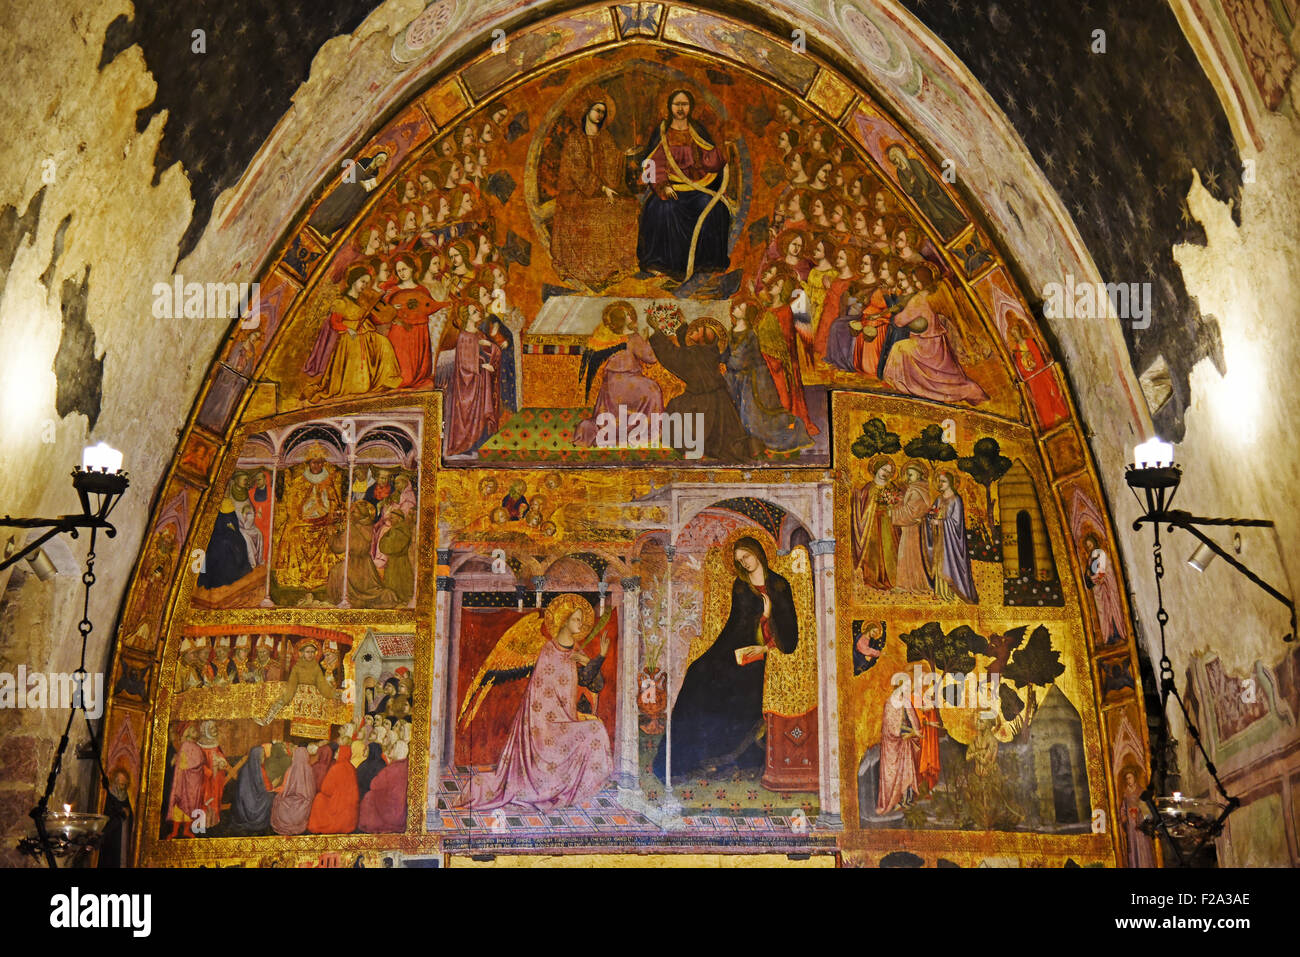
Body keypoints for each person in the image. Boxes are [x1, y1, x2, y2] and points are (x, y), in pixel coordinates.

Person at [652, 537, 797, 781]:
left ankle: (734, 756)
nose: (745, 563)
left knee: (736, 685)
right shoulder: (740, 587)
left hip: (765, 654)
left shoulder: (780, 585)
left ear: (758, 553)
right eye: (740, 560)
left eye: (747, 556)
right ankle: (688, 759)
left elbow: (790, 635)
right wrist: (719, 654)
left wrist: (767, 628)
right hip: (737, 649)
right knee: (699, 672)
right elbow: (735, 625)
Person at [455, 594, 613, 812]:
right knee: (594, 728)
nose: (581, 624)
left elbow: (594, 684)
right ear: (564, 619)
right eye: (576, 619)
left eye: (581, 620)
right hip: (544, 728)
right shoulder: (548, 651)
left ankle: (575, 788)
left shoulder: (576, 651)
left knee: (596, 728)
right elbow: (540, 698)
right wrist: (554, 720)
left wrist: (597, 658)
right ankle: (548, 786)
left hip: (566, 721)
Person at [636, 89, 733, 280]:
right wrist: (663, 185)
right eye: (677, 104)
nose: (680, 109)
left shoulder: (697, 131)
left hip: (696, 187)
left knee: (714, 207)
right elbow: (651, 164)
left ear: (690, 107)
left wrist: (720, 150)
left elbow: (710, 163)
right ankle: (661, 263)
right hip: (669, 187)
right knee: (662, 210)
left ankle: (705, 263)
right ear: (669, 107)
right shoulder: (662, 132)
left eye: (684, 104)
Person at [551, 95, 639, 285]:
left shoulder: (605, 136)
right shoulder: (575, 139)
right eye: (596, 110)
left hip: (602, 192)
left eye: (602, 111)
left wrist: (624, 156)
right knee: (602, 212)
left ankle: (620, 265)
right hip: (577, 196)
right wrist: (601, 187)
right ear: (586, 110)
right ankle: (598, 270)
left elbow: (611, 162)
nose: (600, 114)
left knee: (629, 207)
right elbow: (577, 171)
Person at [648, 313, 758, 461]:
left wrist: (656, 332)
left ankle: (689, 447)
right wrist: (682, 326)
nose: (697, 329)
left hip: (702, 401)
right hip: (719, 399)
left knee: (675, 408)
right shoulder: (710, 351)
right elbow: (689, 350)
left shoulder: (696, 354)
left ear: (704, 340)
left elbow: (674, 356)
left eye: (700, 330)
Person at [723, 300, 813, 452]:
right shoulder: (731, 331)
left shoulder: (750, 335)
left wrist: (726, 363)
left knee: (751, 419)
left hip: (751, 382)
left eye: (740, 307)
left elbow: (739, 361)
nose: (736, 308)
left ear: (747, 315)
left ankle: (789, 432)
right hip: (734, 378)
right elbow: (725, 355)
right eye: (737, 306)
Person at [305, 267, 403, 401]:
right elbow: (335, 323)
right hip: (350, 337)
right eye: (362, 281)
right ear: (353, 281)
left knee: (384, 343)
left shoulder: (363, 300)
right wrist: (347, 328)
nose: (365, 286)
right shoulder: (342, 302)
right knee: (360, 384)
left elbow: (376, 316)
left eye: (367, 283)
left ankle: (387, 379)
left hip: (365, 333)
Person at [574, 301, 664, 446]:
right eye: (628, 315)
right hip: (629, 381)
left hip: (610, 385)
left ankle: (626, 430)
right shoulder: (633, 337)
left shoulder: (607, 337)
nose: (631, 318)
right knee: (653, 390)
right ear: (623, 319)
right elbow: (651, 358)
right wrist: (646, 338)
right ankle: (648, 432)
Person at [273, 446, 344, 598]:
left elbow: (334, 503)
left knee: (330, 535)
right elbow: (292, 506)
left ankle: (321, 576)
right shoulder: (299, 482)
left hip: (324, 521)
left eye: (319, 463)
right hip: (303, 521)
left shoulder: (329, 481)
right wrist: (305, 514)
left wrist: (330, 515)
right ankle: (297, 576)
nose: (316, 466)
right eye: (313, 463)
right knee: (293, 534)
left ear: (323, 464)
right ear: (308, 464)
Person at [444, 301, 501, 456]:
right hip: (468, 384)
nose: (478, 313)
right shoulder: (463, 336)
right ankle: (465, 445)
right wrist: (482, 366)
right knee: (468, 414)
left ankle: (477, 444)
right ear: (467, 316)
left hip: (482, 382)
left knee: (482, 412)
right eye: (474, 312)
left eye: (478, 311)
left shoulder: (479, 334)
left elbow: (493, 351)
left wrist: (488, 345)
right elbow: (464, 363)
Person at [256, 640, 340, 726]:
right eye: (308, 652)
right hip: (297, 696)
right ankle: (267, 719)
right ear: (302, 653)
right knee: (282, 698)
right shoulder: (297, 667)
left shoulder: (317, 668)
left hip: (312, 699)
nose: (310, 654)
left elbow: (322, 685)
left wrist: (331, 693)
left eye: (312, 652)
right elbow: (292, 685)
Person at [925, 471, 979, 604]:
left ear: (950, 483)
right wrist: (930, 519)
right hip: (939, 539)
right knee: (938, 562)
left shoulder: (956, 500)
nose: (940, 484)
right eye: (939, 481)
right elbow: (931, 514)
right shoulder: (938, 499)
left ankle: (952, 593)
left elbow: (957, 523)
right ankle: (941, 592)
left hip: (951, 542)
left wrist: (940, 522)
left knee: (947, 563)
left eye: (943, 481)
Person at [851, 457, 900, 591]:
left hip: (889, 525)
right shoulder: (869, 487)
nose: (885, 473)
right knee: (874, 552)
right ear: (877, 469)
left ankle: (891, 579)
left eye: (889, 472)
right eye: (884, 469)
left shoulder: (892, 487)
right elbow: (863, 506)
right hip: (872, 525)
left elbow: (899, 505)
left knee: (890, 549)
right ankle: (873, 579)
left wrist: (891, 507)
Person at [876, 688, 921, 815]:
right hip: (894, 746)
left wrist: (912, 732)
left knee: (908, 771)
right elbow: (890, 727)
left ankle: (908, 800)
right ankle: (898, 800)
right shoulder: (889, 704)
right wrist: (906, 732)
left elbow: (914, 723)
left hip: (906, 744)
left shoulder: (906, 702)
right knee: (898, 773)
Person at [891, 461, 933, 594]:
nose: (907, 478)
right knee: (906, 554)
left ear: (919, 475)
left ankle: (911, 584)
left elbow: (911, 512)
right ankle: (905, 584)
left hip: (913, 529)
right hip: (910, 528)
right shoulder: (915, 489)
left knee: (910, 555)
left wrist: (893, 513)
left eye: (910, 475)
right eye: (907, 475)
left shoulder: (917, 491)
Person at [308, 742, 360, 833]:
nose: (335, 754)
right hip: (349, 813)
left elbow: (325, 790)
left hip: (337, 808)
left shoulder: (336, 768)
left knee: (319, 798)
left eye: (338, 752)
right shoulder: (352, 768)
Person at [270, 746, 317, 836]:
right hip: (304, 807)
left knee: (278, 799)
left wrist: (274, 789)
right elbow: (312, 791)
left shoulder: (290, 770)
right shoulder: (309, 769)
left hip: (290, 805)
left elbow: (284, 788)